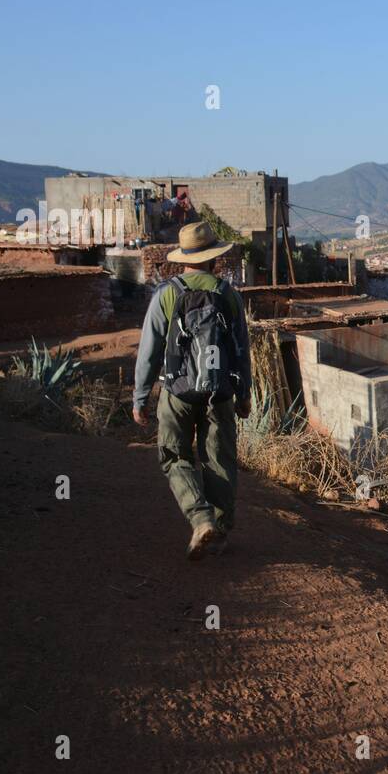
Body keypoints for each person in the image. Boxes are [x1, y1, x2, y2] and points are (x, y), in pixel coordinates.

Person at [133, 222, 252, 559]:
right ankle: (221, 532)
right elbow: (241, 349)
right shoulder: (229, 296)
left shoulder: (167, 294)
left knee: (174, 456)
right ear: (214, 259)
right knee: (220, 460)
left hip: (177, 392)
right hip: (220, 392)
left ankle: (200, 519)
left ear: (182, 257)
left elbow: (149, 352)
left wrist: (140, 398)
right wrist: (244, 394)